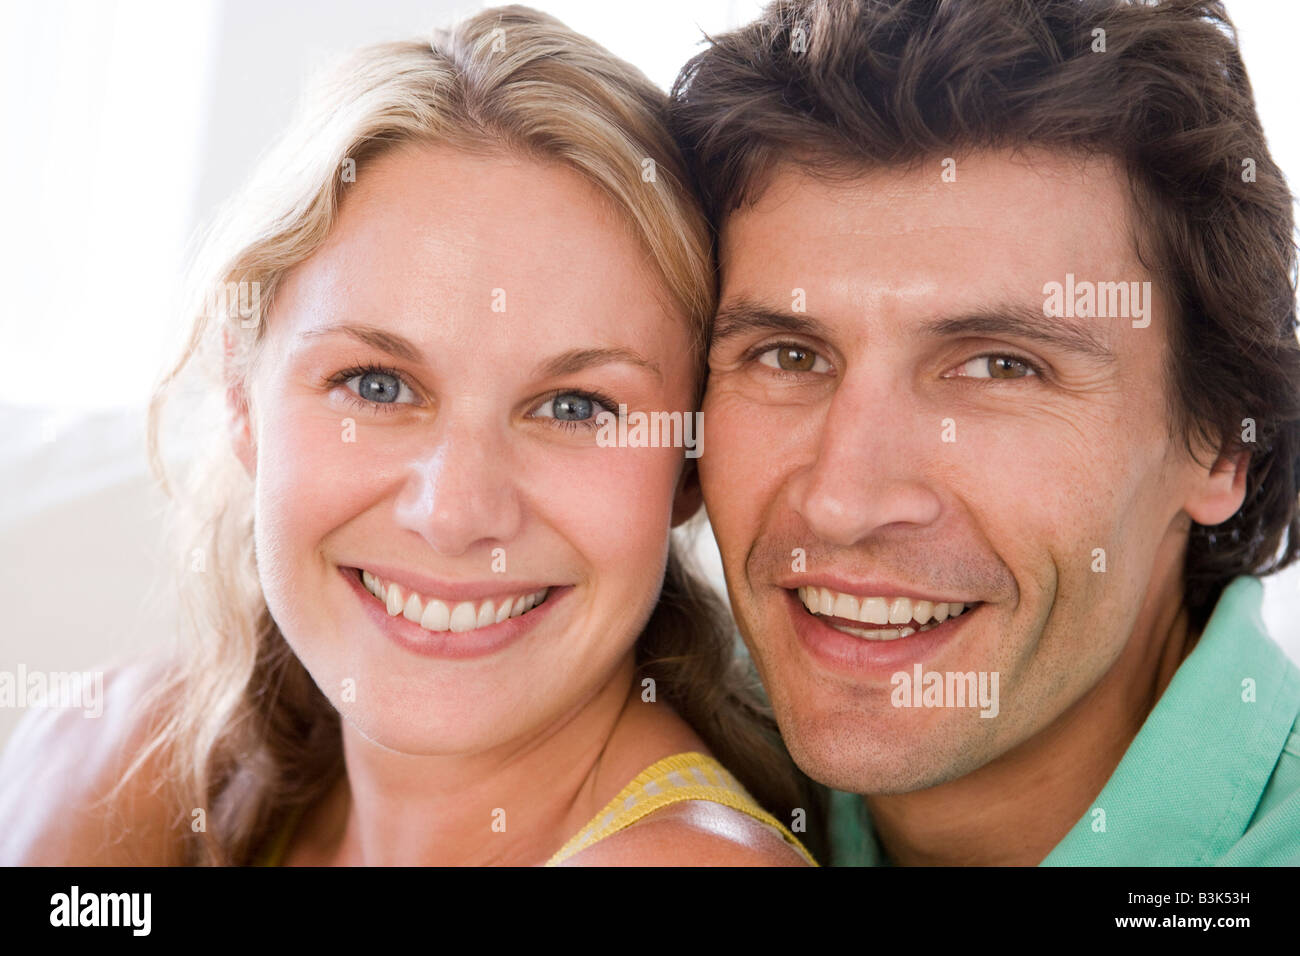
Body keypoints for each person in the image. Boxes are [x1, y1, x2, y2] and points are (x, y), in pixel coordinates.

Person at [0, 5, 820, 867]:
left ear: (692, 462)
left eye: (575, 407)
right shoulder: (132, 756)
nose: (456, 513)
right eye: (377, 385)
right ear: (242, 397)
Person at [669, 0, 1300, 864]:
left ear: (1224, 442)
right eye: (788, 354)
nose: (843, 500)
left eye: (1001, 367)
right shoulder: (657, 776)